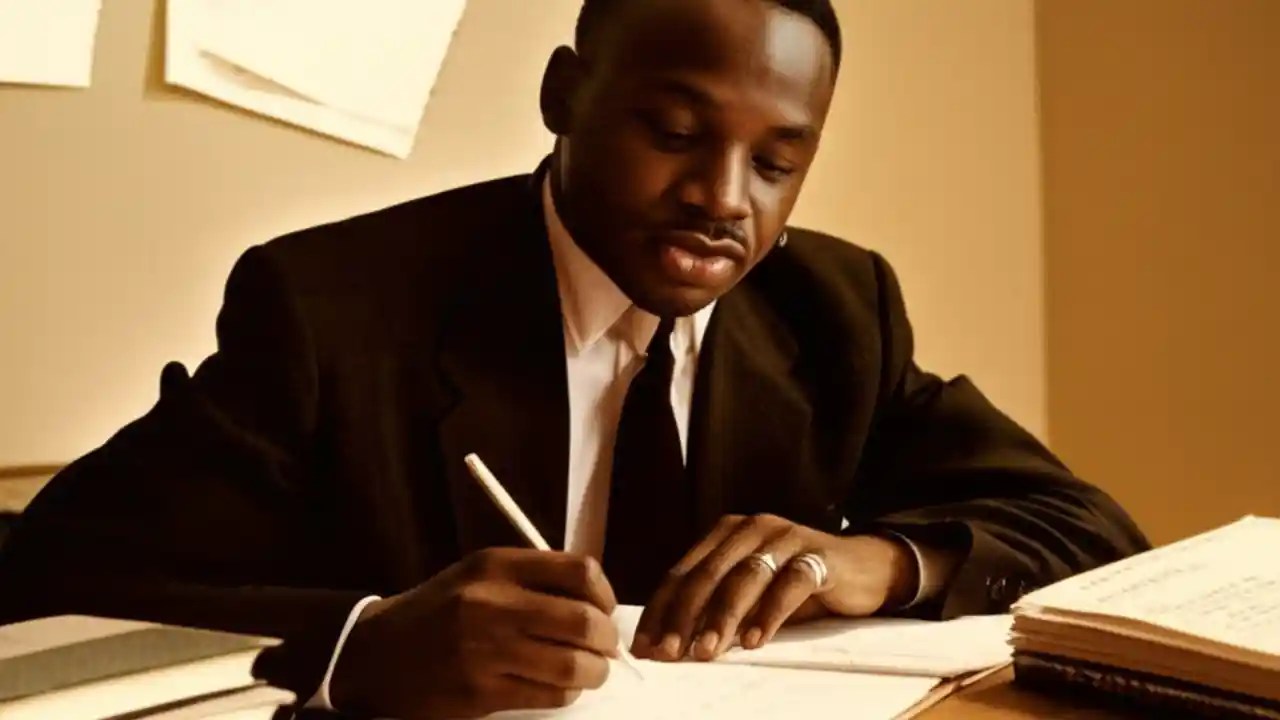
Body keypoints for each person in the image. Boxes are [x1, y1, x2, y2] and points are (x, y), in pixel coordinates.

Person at [0, 0, 1150, 718]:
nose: (719, 199)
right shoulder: (331, 309)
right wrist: (358, 646)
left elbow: (1088, 529)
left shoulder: (835, 305)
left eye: (775, 162)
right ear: (562, 97)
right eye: (675, 133)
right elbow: (50, 576)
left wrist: (871, 565)